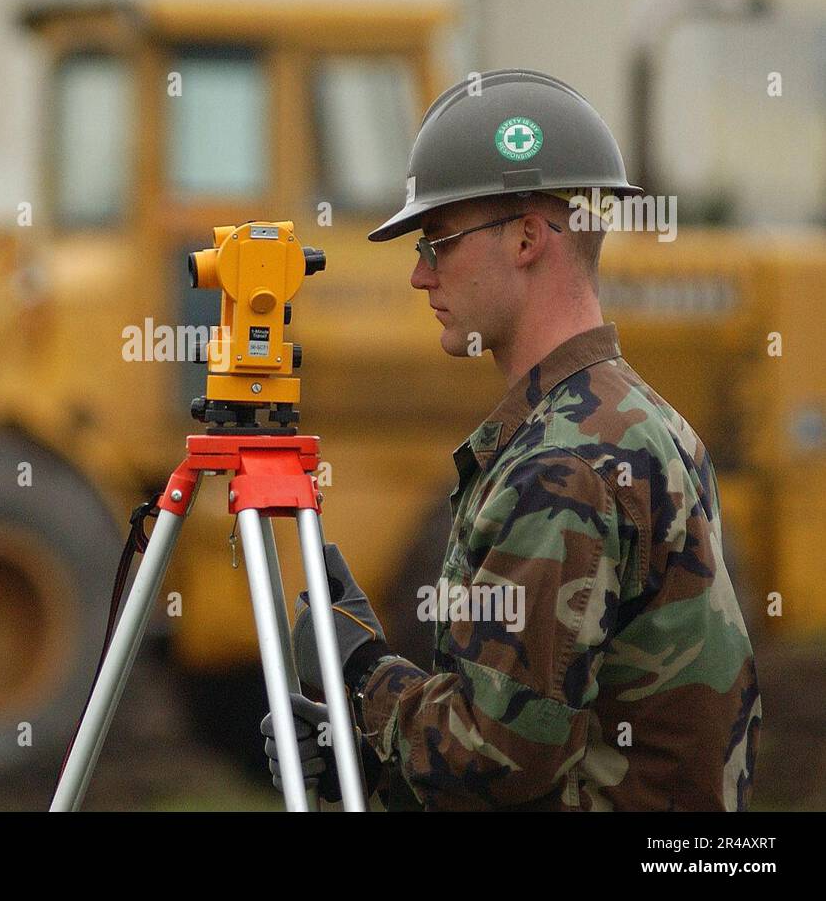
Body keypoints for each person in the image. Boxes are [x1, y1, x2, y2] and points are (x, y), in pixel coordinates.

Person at [261, 69, 761, 811]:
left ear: (528, 238)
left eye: (438, 242)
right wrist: (368, 771)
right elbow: (568, 734)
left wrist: (361, 670)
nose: (418, 275)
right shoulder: (640, 421)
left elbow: (494, 760)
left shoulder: (564, 464)